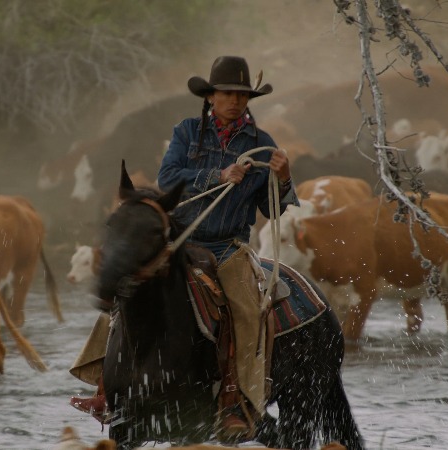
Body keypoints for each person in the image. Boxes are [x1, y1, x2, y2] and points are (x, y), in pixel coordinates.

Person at [69, 55, 297, 442]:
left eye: (243, 95)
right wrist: (217, 174)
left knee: (243, 310)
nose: (235, 101)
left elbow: (272, 206)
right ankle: (107, 389)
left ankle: (232, 401)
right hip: (181, 240)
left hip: (228, 248)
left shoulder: (262, 144)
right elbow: (168, 177)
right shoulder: (188, 132)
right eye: (227, 93)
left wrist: (284, 178)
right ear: (210, 96)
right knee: (126, 290)